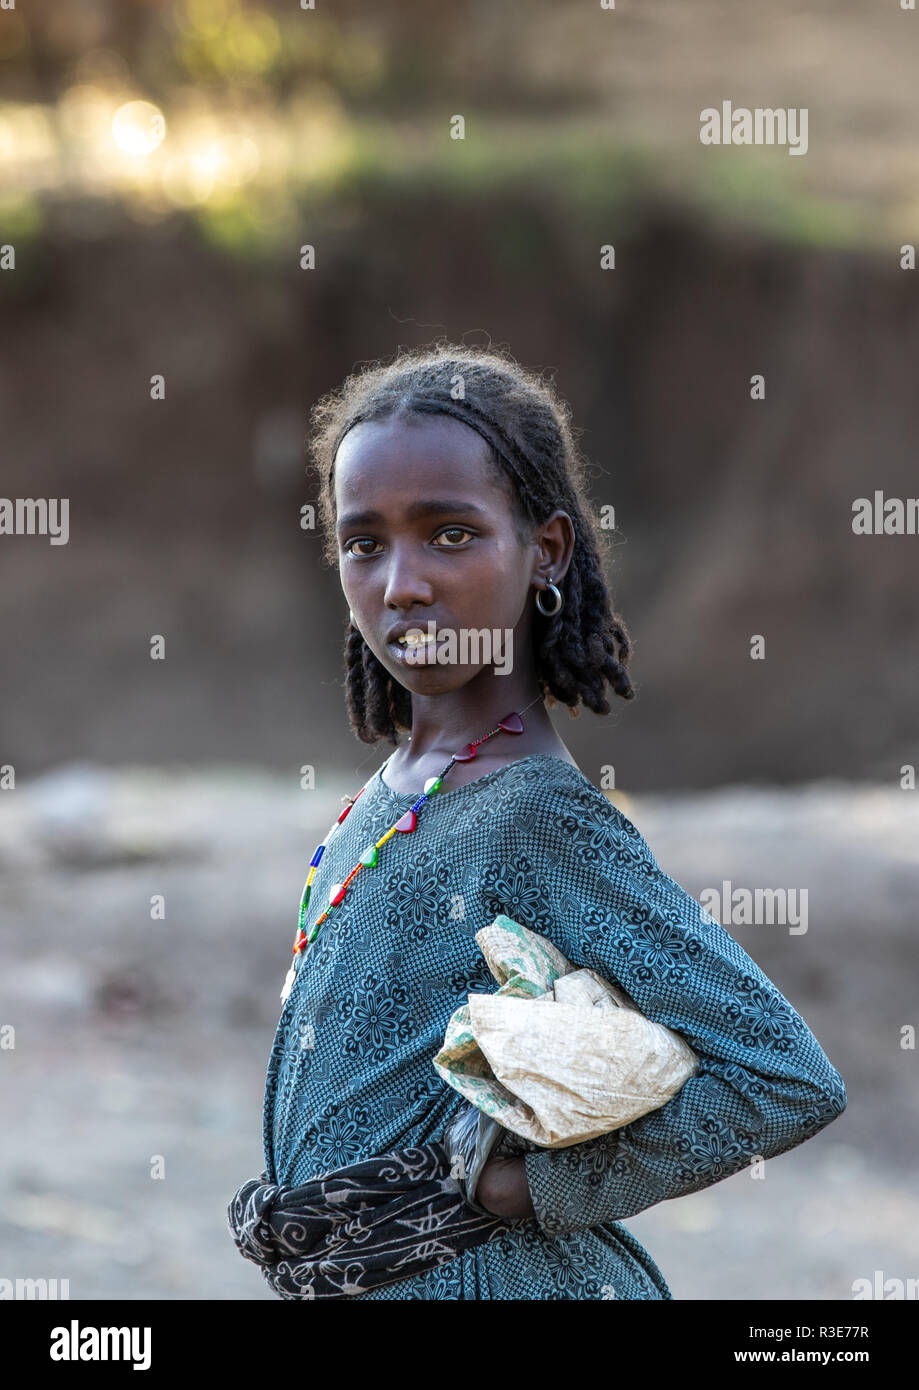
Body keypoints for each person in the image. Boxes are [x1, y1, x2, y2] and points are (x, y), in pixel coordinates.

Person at [258, 341, 846, 1300]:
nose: (401, 581)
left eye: (449, 533)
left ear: (547, 551)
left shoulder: (535, 816)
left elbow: (781, 1075)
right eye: (364, 542)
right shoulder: (398, 789)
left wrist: (523, 1186)